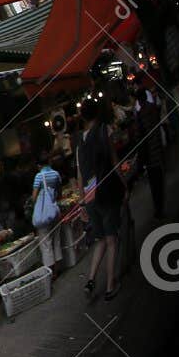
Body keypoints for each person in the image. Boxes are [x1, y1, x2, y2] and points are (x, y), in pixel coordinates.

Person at [77, 100, 125, 302]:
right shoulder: (104, 130)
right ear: (97, 112)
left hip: (89, 195)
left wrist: (82, 202)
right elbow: (114, 162)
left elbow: (79, 174)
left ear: (83, 117)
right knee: (111, 239)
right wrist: (124, 184)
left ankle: (90, 281)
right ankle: (110, 286)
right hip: (106, 191)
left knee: (100, 240)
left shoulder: (78, 140)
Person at [133, 84, 166, 219]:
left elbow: (140, 138)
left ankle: (158, 209)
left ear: (139, 100)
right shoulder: (153, 109)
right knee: (160, 180)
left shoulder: (140, 116)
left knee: (154, 184)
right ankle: (161, 206)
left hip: (149, 154)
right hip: (158, 148)